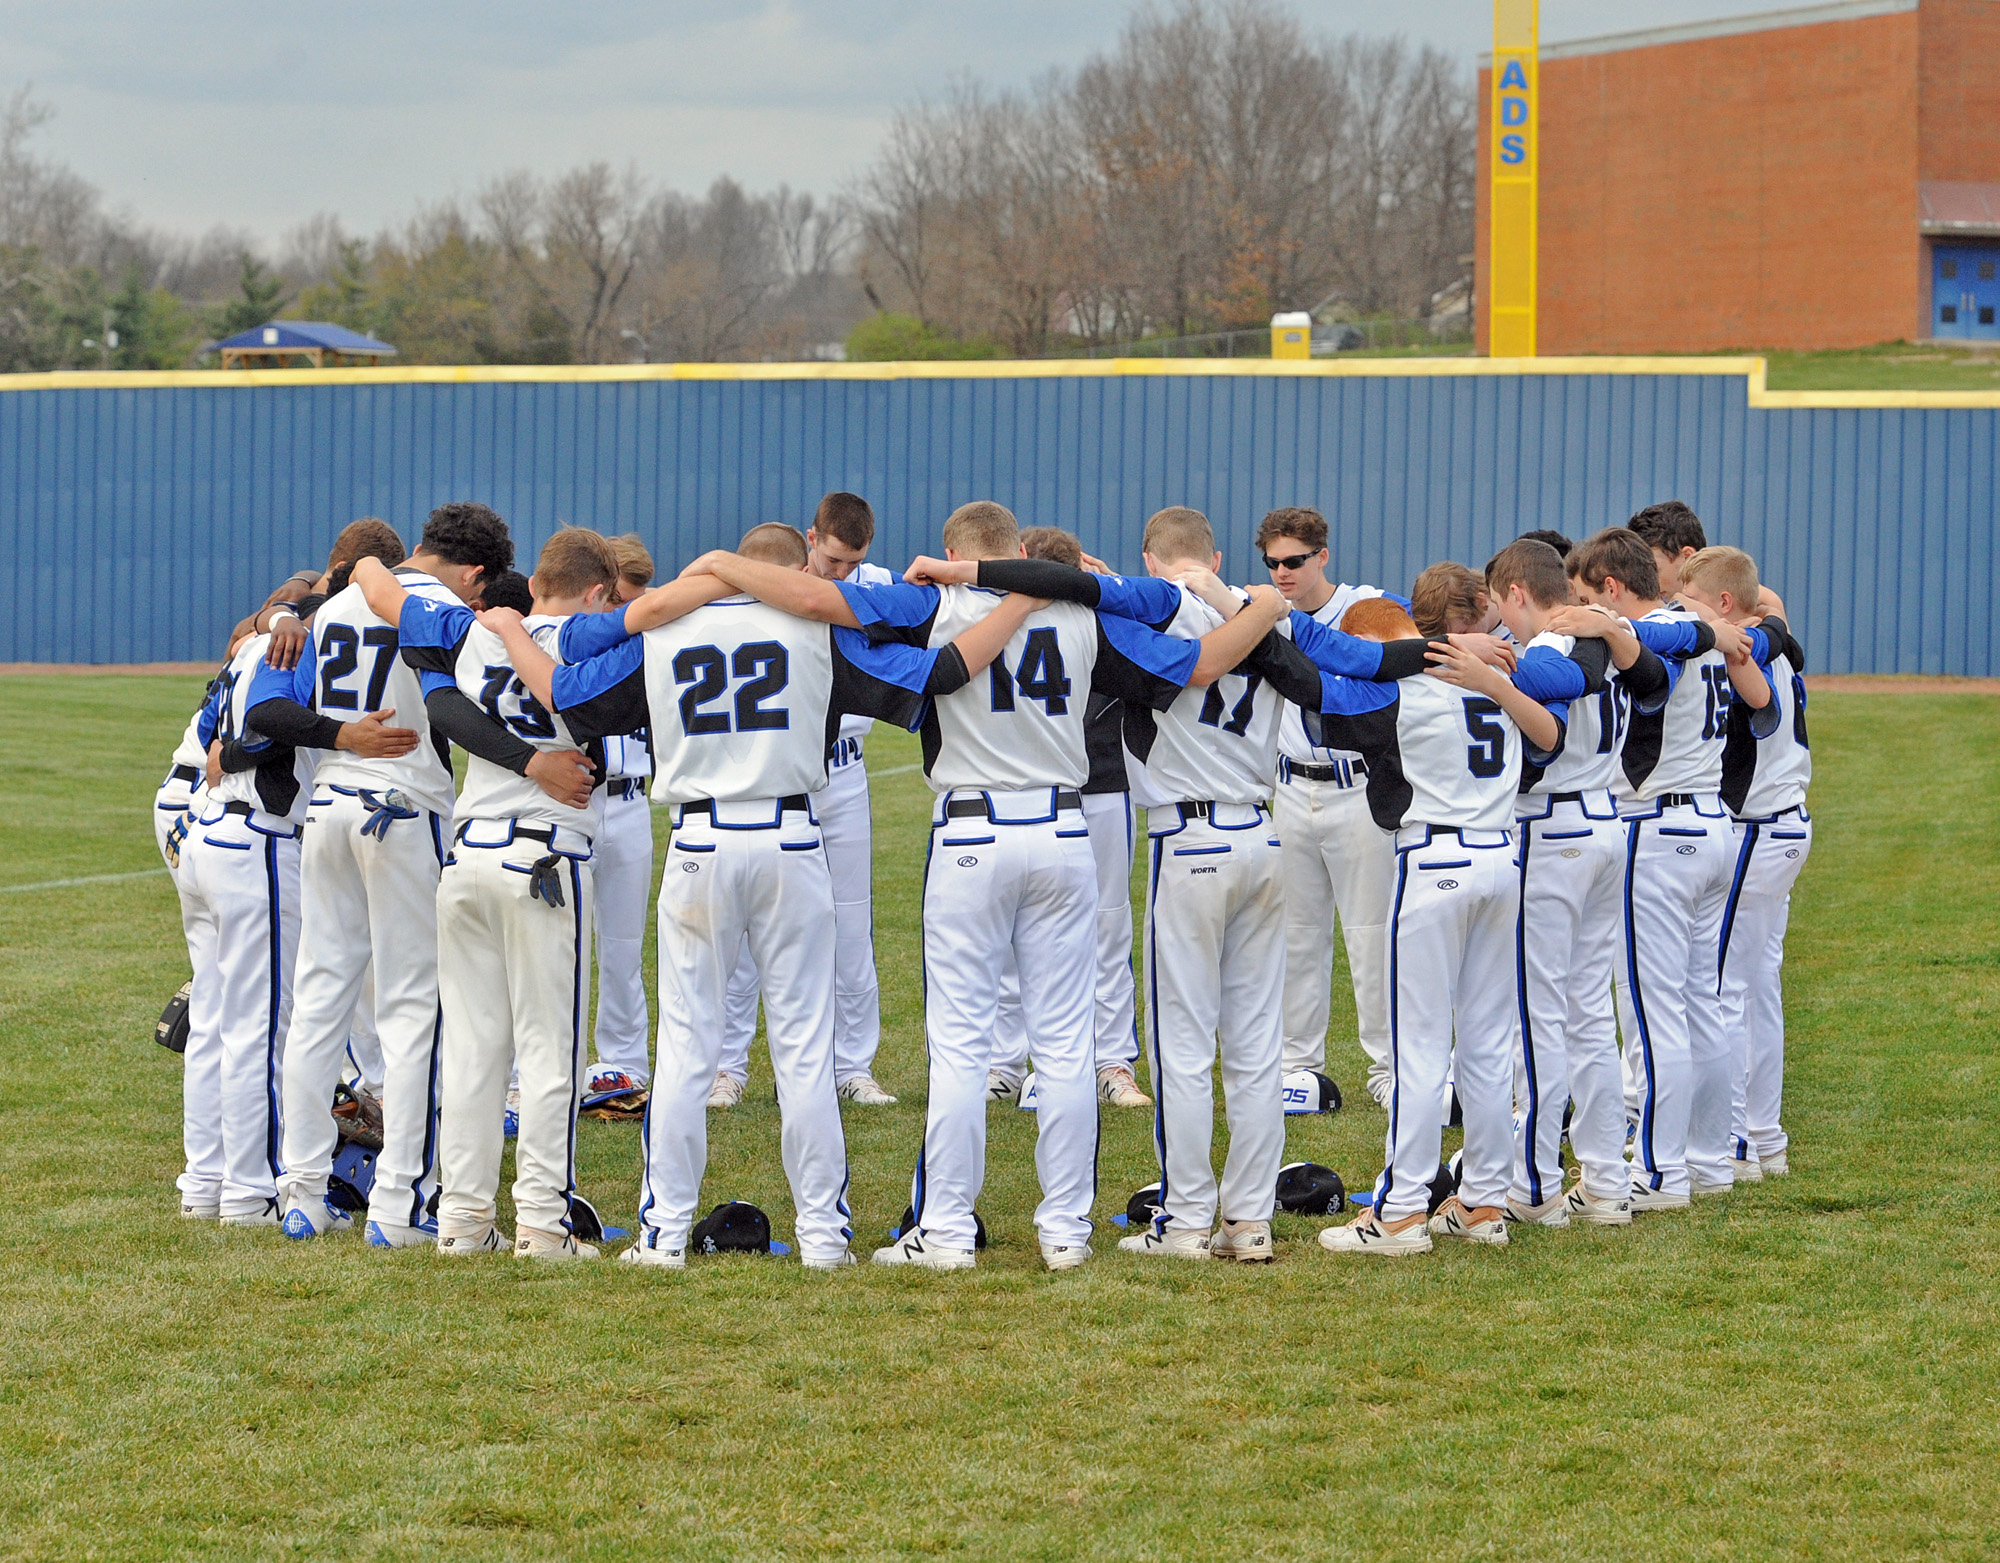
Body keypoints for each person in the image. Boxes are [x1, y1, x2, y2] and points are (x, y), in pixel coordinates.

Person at [702, 501, 1284, 1272]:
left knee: (961, 1047)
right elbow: (1202, 663)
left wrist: (717, 562)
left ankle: (944, 1232)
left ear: (951, 550)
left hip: (971, 832)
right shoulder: (1079, 610)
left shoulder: (930, 603)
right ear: (1017, 552)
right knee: (1068, 1044)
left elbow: (810, 597)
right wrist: (1265, 607)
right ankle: (1066, 1232)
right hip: (1063, 829)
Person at [495, 522, 1033, 1270]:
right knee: (805, 1050)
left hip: (698, 841)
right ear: (794, 572)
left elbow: (566, 686)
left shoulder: (666, 622)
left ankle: (662, 1236)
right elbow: (932, 670)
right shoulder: (817, 623)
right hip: (790, 838)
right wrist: (1024, 600)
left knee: (685, 1049)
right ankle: (821, 1236)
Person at [983, 508, 1433, 1261]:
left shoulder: (1154, 614)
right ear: (1216, 555)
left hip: (1187, 837)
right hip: (1262, 829)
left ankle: (1187, 1217)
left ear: (1149, 561)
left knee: (1183, 1045)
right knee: (1257, 1044)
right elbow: (1337, 669)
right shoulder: (1258, 613)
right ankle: (1249, 1218)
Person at [243, 507, 535, 1246]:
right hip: (404, 808)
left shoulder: (335, 604)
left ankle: (304, 1191)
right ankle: (400, 1203)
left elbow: (267, 707)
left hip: (330, 807)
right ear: (474, 572)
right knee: (412, 1012)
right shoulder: (435, 609)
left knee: (318, 1004)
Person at [353, 528, 618, 1260]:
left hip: (468, 857)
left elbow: (379, 588)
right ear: (597, 591)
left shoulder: (472, 630)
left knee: (471, 1051)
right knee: (548, 1051)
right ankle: (541, 1224)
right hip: (545, 856)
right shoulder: (593, 638)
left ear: (534, 584)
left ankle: (464, 1221)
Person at [1304, 599, 1584, 1255]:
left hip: (1434, 861)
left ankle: (1400, 1211)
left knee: (1420, 1047)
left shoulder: (1393, 687)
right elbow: (1547, 739)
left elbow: (1323, 699)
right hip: (1500, 858)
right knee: (1486, 1042)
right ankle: (1485, 1199)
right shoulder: (1494, 676)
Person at [1565, 526, 1780, 1209]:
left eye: (1587, 595)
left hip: (1659, 827)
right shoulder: (1711, 631)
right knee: (1704, 1005)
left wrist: (1598, 621)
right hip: (1714, 823)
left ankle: (1661, 1172)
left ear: (1614, 586)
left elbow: (1646, 642)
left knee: (1657, 1011)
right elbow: (1762, 705)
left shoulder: (1674, 627)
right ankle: (1710, 1159)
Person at [1483, 539, 1666, 1228]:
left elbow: (1540, 686)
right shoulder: (1608, 641)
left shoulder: (1557, 648)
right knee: (1589, 1012)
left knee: (1539, 1013)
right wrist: (1615, 629)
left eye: (1503, 606)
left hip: (1552, 828)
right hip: (1604, 821)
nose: (1504, 620)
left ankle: (1533, 1186)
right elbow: (1652, 676)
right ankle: (1608, 1183)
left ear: (1517, 593)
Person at [712, 493, 903, 1109]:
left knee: (850, 919)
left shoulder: (871, 583)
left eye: (854, 561)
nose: (843, 571)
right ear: (810, 537)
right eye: (834, 557)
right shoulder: (749, 584)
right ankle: (728, 1067)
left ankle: (852, 1064)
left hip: (840, 772)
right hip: (765, 773)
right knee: (740, 927)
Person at [987, 525, 1150, 1112]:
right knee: (1106, 928)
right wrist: (1108, 584)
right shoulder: (1096, 618)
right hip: (1093, 786)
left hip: (1055, 790)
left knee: (1014, 932)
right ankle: (1108, 1061)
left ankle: (1011, 1062)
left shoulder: (995, 615)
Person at [1255, 507, 1406, 1107]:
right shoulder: (1264, 609)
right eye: (1272, 563)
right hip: (1290, 784)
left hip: (1357, 783)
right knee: (1295, 934)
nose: (1283, 573)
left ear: (1322, 556)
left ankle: (1390, 1069)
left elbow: (1414, 643)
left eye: (1294, 561)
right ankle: (1298, 1068)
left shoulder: (1369, 606)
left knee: (1372, 934)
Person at [174, 617, 320, 1226]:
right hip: (257, 840)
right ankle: (249, 1194)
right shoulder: (301, 642)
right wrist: (237, 755)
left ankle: (203, 1183)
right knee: (257, 1030)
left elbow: (206, 728)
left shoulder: (259, 642)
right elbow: (266, 727)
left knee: (211, 1023)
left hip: (208, 835)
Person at [1675, 545, 1811, 1182]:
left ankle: (1734, 1142)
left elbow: (1759, 699)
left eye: (1693, 600)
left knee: (1726, 987)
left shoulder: (1745, 646)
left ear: (1726, 604)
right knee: (1757, 989)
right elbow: (1772, 609)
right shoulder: (1768, 631)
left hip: (1758, 828)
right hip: (1783, 825)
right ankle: (1764, 1137)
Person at [588, 533, 661, 1099]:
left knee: (621, 944)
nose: (625, 611)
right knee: (552, 947)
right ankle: (524, 1074)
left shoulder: (654, 635)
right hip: (570, 802)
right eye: (618, 598)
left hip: (632, 798)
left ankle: (624, 1063)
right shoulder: (562, 633)